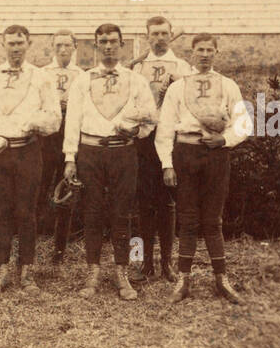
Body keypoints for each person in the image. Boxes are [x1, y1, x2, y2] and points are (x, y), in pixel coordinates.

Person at [63, 23, 158, 301]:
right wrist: (70, 158)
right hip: (90, 151)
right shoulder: (83, 79)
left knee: (122, 212)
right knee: (91, 212)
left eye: (113, 42)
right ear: (95, 46)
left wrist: (137, 131)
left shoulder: (135, 79)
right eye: (102, 41)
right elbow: (73, 121)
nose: (107, 46)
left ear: (121, 45)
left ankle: (121, 272)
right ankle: (92, 271)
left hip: (124, 153)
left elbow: (151, 117)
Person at [156, 34, 250, 303]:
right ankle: (183, 279)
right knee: (187, 219)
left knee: (212, 220)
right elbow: (164, 129)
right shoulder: (178, 87)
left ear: (217, 53)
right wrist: (167, 164)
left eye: (210, 50)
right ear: (192, 53)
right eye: (200, 50)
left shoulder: (228, 85)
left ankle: (222, 279)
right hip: (185, 153)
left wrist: (224, 140)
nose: (205, 54)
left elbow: (243, 124)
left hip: (216, 155)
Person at [0, 24, 62, 295]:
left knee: (27, 212)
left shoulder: (41, 77)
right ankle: (2, 269)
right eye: (11, 43)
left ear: (29, 45)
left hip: (28, 151)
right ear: (3, 45)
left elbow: (53, 115)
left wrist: (32, 122)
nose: (16, 48)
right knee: (1, 212)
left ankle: (27, 270)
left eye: (21, 43)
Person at [132, 16, 194, 282]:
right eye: (154, 34)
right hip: (143, 140)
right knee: (143, 202)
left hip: (170, 140)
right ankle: (145, 263)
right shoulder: (137, 67)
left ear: (171, 35)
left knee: (167, 201)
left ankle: (167, 262)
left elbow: (189, 103)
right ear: (147, 36)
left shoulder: (182, 66)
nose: (159, 38)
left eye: (163, 33)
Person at [41, 29, 83, 264]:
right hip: (47, 135)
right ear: (52, 48)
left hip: (71, 131)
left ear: (74, 47)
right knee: (40, 186)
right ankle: (31, 246)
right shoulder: (42, 73)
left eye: (67, 45)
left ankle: (60, 250)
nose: (63, 50)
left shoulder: (81, 74)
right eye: (58, 46)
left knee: (67, 187)